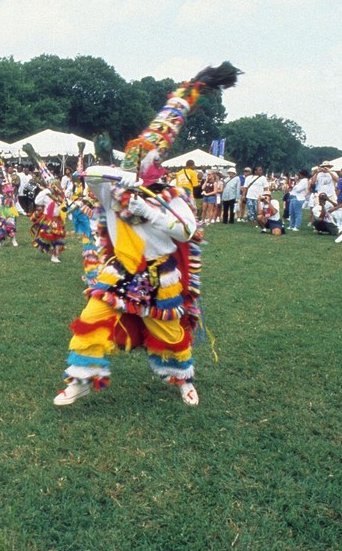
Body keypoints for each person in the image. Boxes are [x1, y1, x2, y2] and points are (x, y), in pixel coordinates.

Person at [52, 61, 239, 408]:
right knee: (91, 319)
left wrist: (149, 211)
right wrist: (121, 181)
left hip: (160, 275)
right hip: (119, 273)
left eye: (147, 157)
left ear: (158, 163)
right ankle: (79, 379)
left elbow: (187, 230)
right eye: (137, 156)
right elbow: (90, 175)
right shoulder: (113, 192)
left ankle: (184, 380)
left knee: (170, 333)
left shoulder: (172, 196)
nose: (141, 161)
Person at [0, 182, 25, 247]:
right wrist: (0, 198)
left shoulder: (14, 198)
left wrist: (23, 212)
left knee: (11, 228)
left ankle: (13, 240)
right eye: (8, 192)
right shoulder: (1, 198)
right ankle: (2, 241)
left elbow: (17, 205)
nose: (10, 193)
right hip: (2, 214)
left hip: (11, 214)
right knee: (1, 227)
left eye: (11, 191)